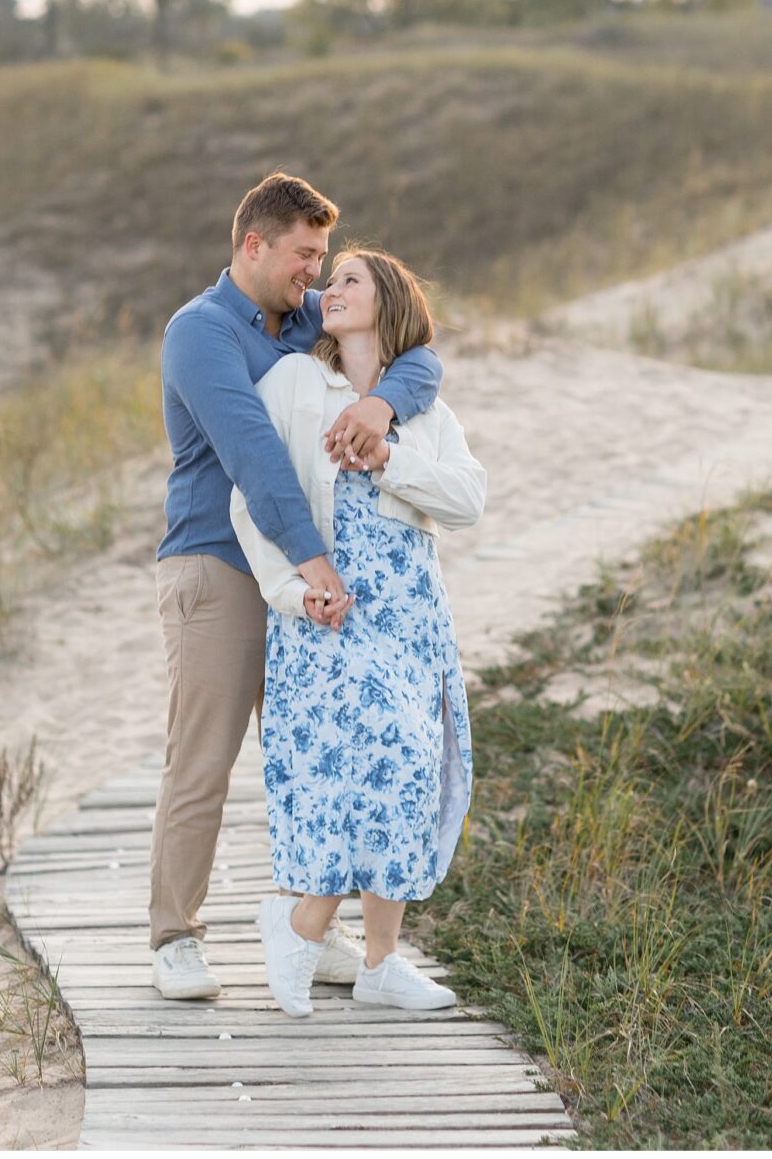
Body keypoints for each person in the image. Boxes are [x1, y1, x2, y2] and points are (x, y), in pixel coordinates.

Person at [151, 173, 443, 1001]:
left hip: (308, 575)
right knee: (204, 761)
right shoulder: (200, 333)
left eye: (322, 258)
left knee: (317, 756)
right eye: (303, 256)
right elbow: (255, 456)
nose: (314, 274)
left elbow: (420, 354)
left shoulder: (309, 316)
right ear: (255, 246)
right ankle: (174, 936)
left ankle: (312, 928)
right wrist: (315, 562)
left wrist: (383, 404)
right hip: (219, 566)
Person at [230, 247, 484, 1017]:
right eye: (327, 278)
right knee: (344, 773)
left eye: (349, 281)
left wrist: (389, 459)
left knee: (409, 769)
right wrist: (289, 591)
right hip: (326, 610)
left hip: (411, 612)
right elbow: (254, 501)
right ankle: (300, 921)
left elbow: (468, 500)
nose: (329, 291)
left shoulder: (423, 411)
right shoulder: (294, 383)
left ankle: (379, 964)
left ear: (389, 302)